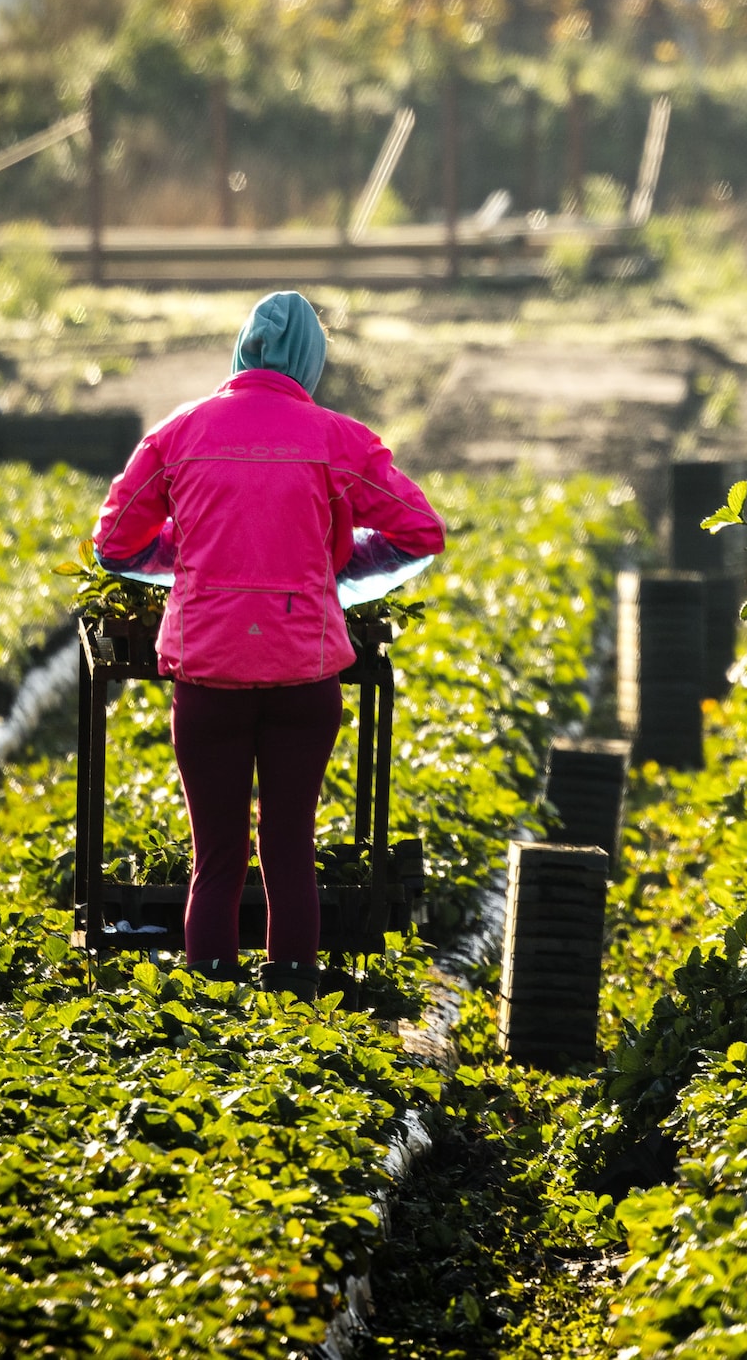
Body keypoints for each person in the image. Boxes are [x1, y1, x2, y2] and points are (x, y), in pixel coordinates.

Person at [94, 291, 444, 997]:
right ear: (311, 363)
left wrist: (191, 562)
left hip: (208, 675)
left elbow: (113, 544)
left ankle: (210, 1001)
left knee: (215, 859)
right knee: (291, 850)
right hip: (303, 676)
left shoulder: (179, 434)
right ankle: (293, 994)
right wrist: (335, 571)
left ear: (243, 350)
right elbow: (420, 532)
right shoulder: (338, 440)